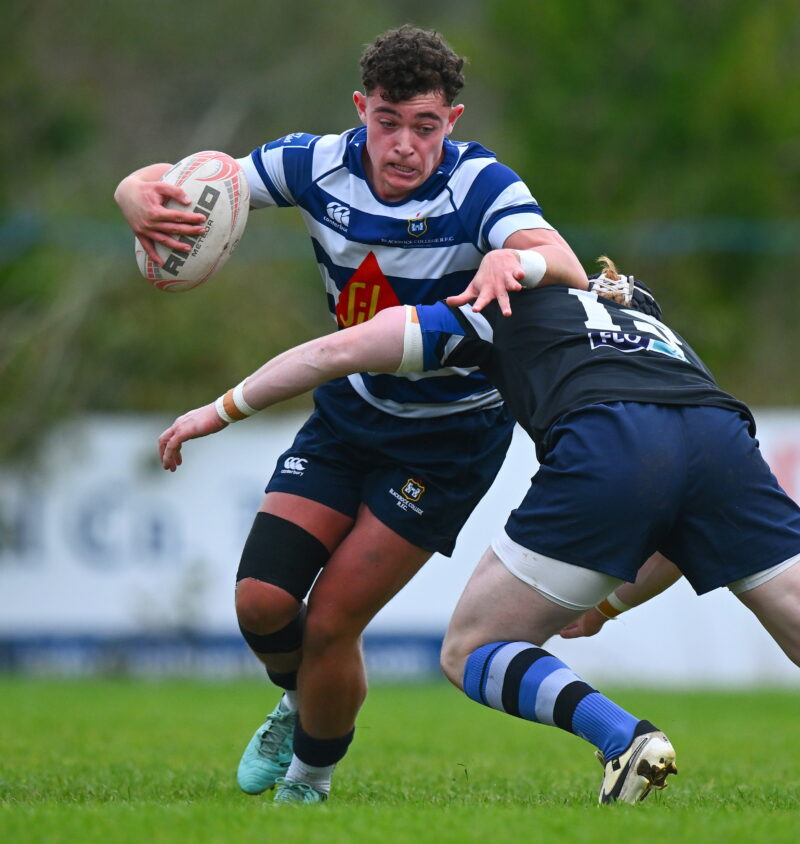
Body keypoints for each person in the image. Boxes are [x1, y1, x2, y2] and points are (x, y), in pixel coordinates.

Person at [157, 261, 800, 810]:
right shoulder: (641, 311)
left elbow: (339, 350)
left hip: (608, 441)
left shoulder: (484, 307)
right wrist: (617, 595)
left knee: (471, 651)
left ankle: (620, 736)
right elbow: (679, 520)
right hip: (719, 433)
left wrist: (222, 406)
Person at [116, 25, 587, 802]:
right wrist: (133, 189)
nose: (405, 145)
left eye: (426, 127)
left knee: (331, 622)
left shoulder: (478, 185)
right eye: (388, 122)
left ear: (454, 122)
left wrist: (518, 257)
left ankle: (309, 784)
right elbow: (208, 180)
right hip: (351, 411)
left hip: (450, 439)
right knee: (262, 601)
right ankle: (303, 700)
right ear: (361, 109)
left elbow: (561, 259)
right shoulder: (313, 163)